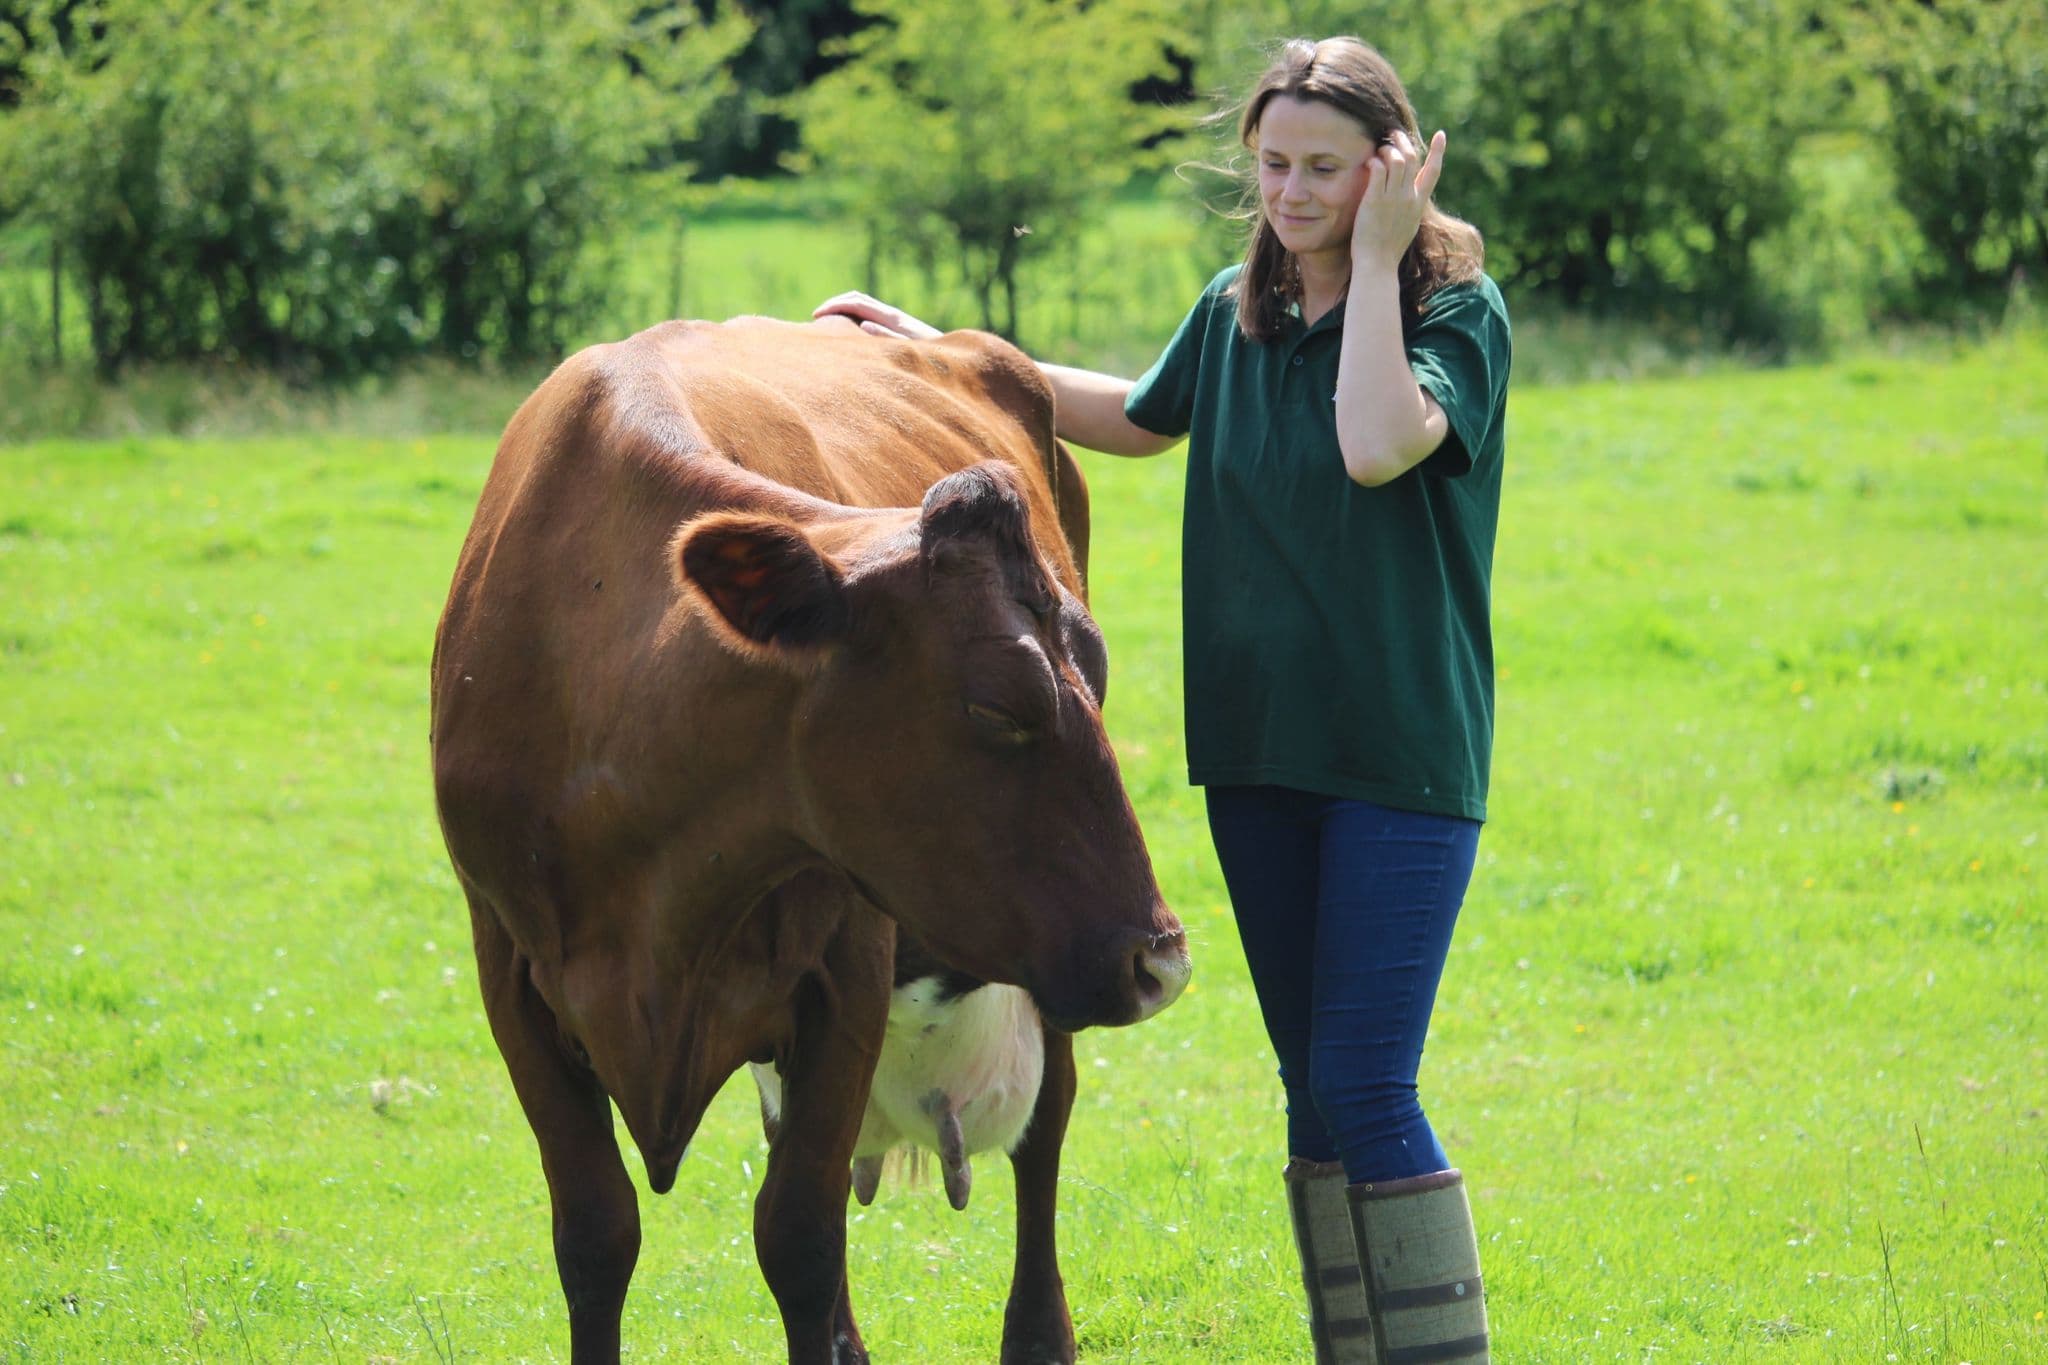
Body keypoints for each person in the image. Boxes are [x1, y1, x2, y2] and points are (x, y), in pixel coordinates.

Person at [817, 35, 1508, 1365]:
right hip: (1257, 758)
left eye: (1325, 169)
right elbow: (1130, 416)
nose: (1293, 193)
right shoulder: (1234, 308)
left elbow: (1376, 446)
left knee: (1368, 1082)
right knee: (1313, 1088)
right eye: (1274, 166)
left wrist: (1373, 266)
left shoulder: (1454, 316)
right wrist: (946, 358)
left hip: (1399, 761)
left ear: (1391, 169)